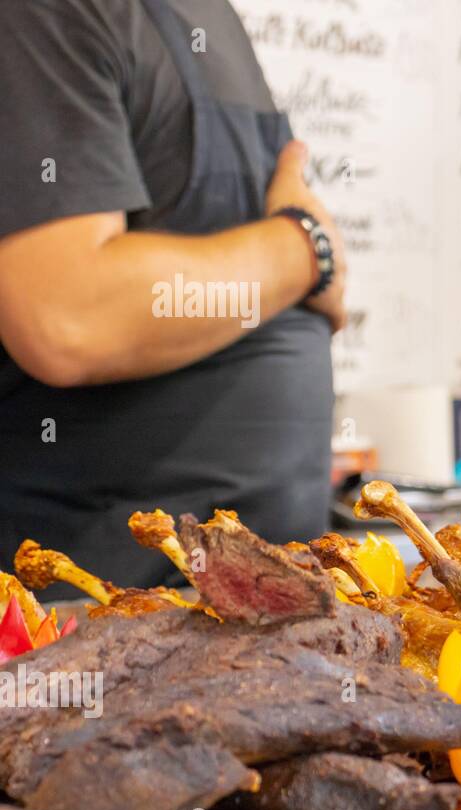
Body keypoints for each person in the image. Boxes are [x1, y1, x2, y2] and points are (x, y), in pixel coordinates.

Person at [0, 0, 347, 589]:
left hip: (266, 595)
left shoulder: (213, 17)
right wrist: (305, 249)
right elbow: (66, 317)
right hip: (104, 604)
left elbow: (319, 293)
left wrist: (310, 264)